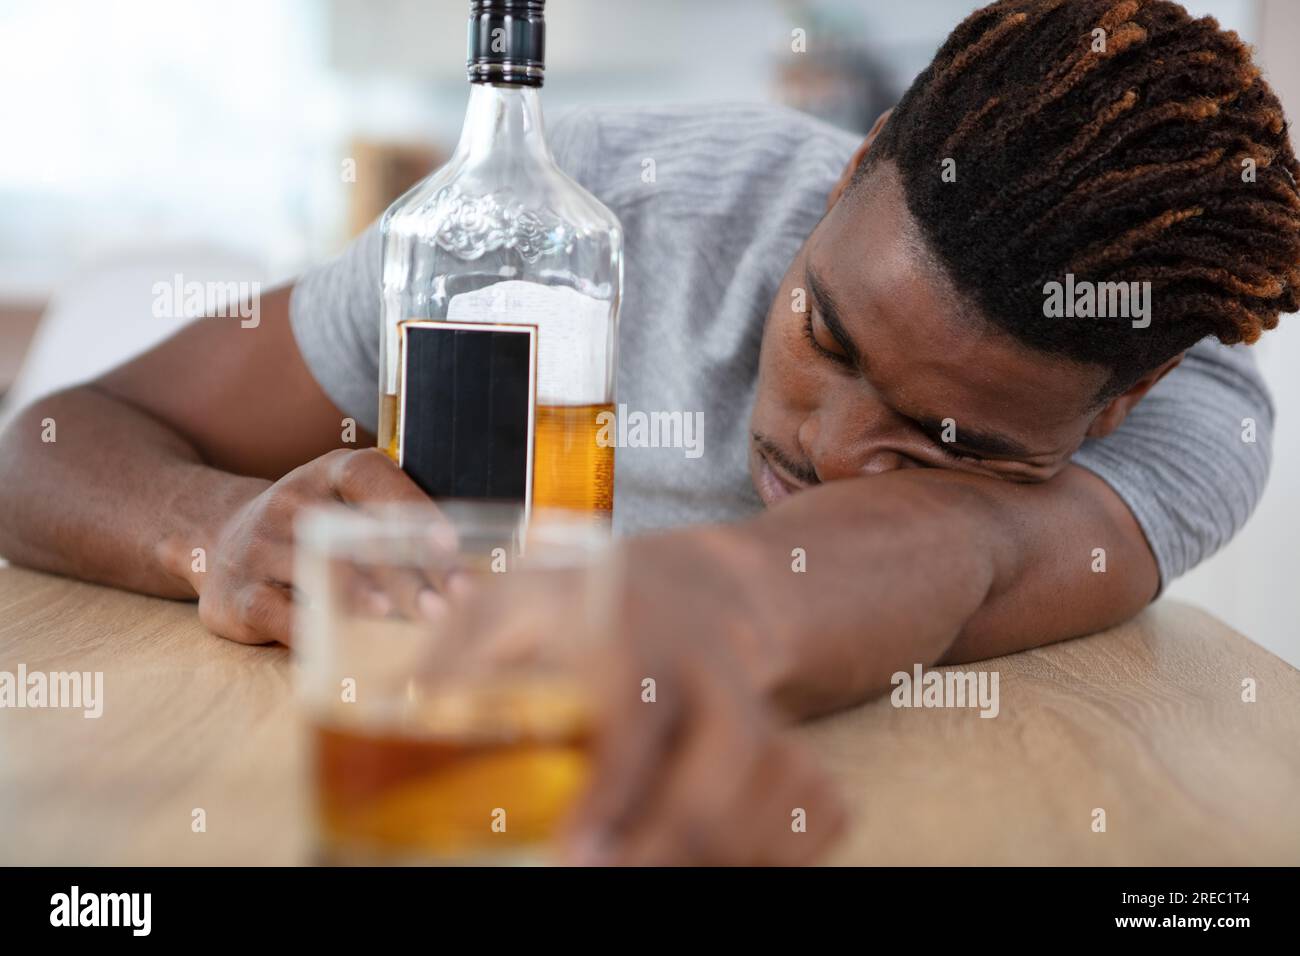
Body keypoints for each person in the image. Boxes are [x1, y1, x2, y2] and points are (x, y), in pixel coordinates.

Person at [0, 0, 1293, 864]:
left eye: (946, 436)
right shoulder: (579, 205)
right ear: (851, 174)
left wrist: (675, 612)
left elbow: (961, 554)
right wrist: (211, 527)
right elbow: (50, 444)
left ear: (1125, 396)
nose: (834, 448)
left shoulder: (1196, 416)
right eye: (826, 338)